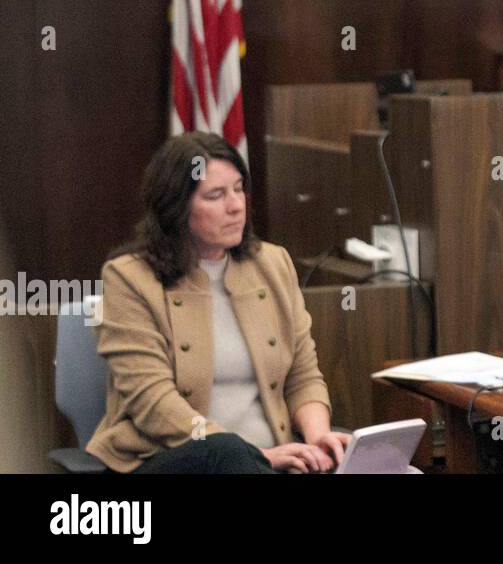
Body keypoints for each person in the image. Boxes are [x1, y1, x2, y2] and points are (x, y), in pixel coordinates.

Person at [87, 132, 351, 473]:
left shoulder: (272, 264)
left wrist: (318, 439)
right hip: (171, 459)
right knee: (226, 453)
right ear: (176, 207)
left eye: (239, 189)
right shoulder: (129, 278)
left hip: (274, 457)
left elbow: (302, 376)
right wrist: (255, 456)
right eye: (216, 195)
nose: (236, 205)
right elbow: (153, 403)